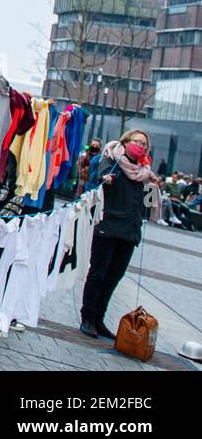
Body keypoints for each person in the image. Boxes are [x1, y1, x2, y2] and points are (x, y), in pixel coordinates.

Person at [79, 129, 162, 340]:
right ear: (126, 141)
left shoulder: (145, 170)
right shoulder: (111, 158)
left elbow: (147, 207)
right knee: (98, 274)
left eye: (144, 144)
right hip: (108, 226)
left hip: (129, 230)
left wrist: (154, 187)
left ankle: (99, 319)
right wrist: (105, 179)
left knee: (113, 278)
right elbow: (97, 183)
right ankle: (87, 318)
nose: (141, 146)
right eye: (137, 141)